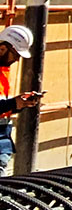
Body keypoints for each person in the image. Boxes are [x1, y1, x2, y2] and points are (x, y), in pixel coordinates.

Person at [0, 24, 39, 173]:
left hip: (3, 138)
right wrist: (12, 103)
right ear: (3, 48)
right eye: (16, 55)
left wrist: (19, 104)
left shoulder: (3, 72)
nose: (17, 60)